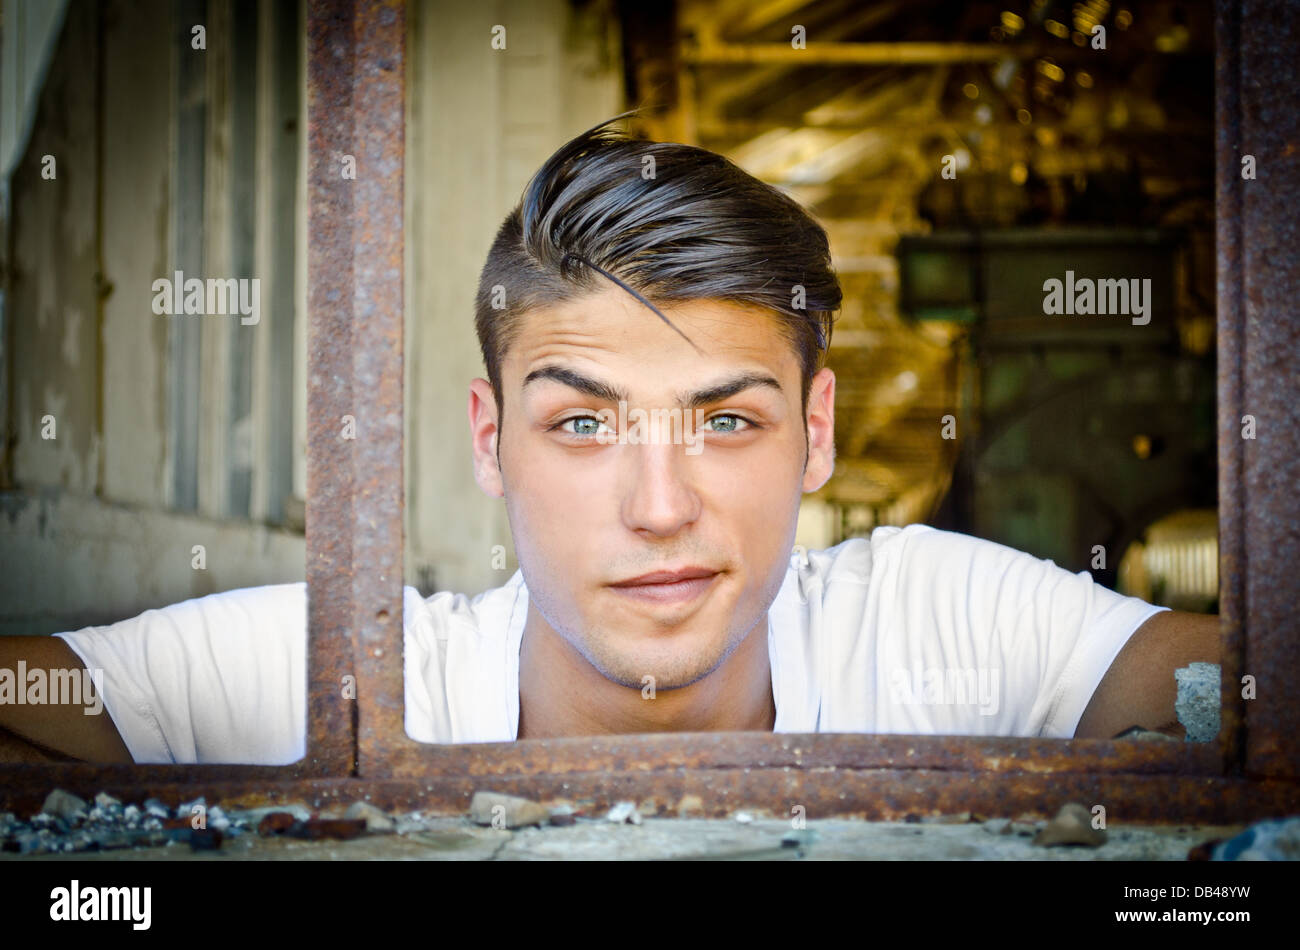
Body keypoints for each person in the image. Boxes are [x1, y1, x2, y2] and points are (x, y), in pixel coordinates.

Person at [0, 118, 1217, 764]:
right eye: (581, 422)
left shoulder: (922, 619)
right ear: (491, 443)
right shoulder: (360, 679)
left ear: (816, 432)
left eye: (725, 420)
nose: (658, 504)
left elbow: (1245, 693)